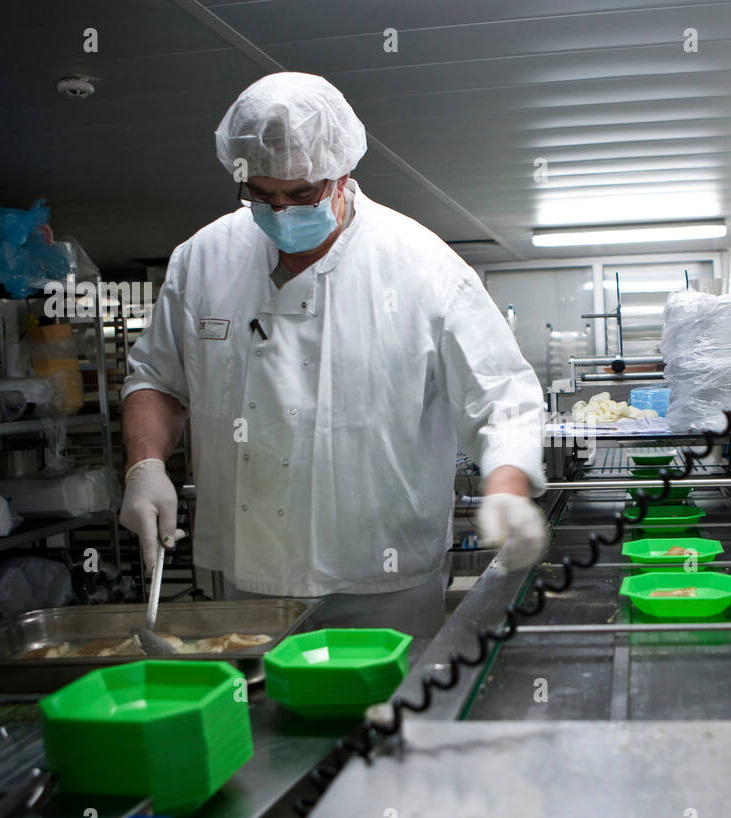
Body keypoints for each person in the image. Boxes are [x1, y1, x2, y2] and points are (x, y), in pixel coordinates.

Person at [118, 72, 546, 642]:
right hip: (251, 575)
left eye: (301, 195)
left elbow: (502, 398)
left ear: (341, 174)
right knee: (256, 698)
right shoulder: (203, 259)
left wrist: (508, 487)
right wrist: (145, 466)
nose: (280, 212)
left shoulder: (421, 265)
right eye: (261, 195)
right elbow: (156, 378)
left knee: (386, 698)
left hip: (383, 577)